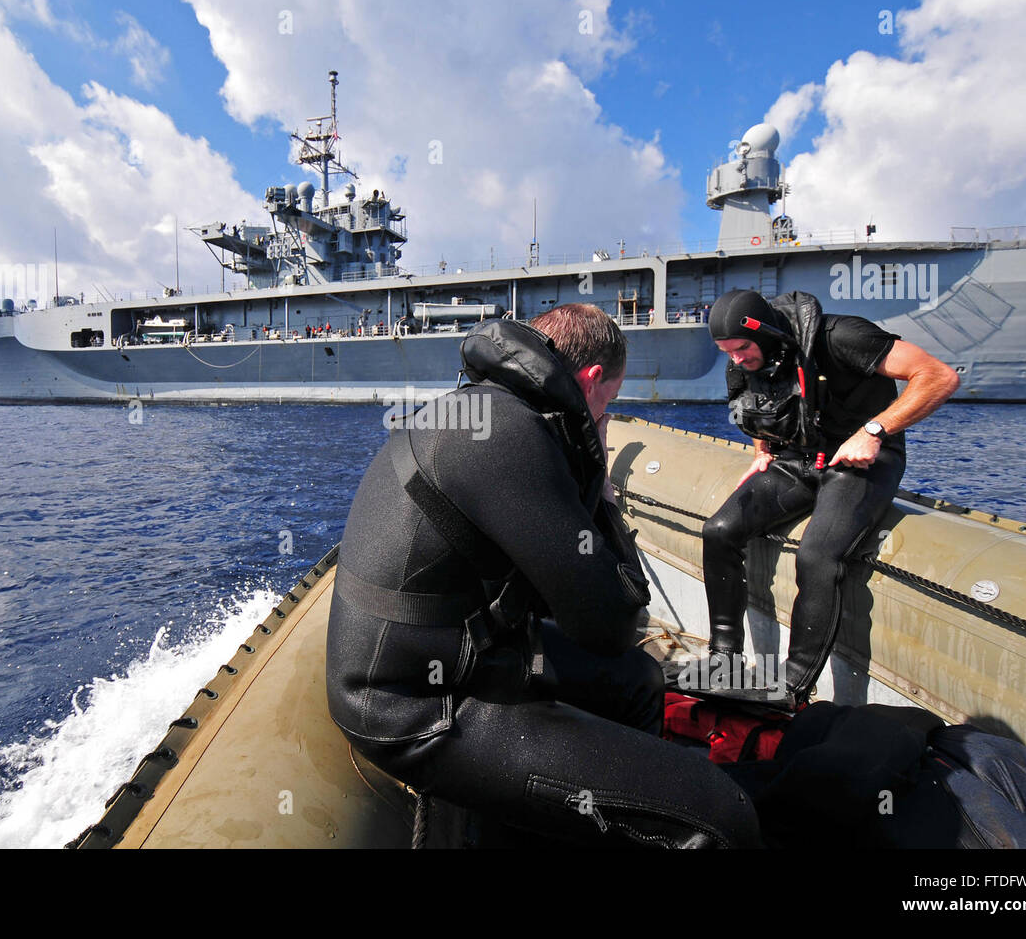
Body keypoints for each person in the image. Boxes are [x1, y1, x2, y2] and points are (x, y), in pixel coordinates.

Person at [326, 303, 762, 847]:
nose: (604, 414)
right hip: (412, 706)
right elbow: (611, 625)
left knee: (641, 683)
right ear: (593, 377)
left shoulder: (489, 408)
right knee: (723, 817)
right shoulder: (507, 435)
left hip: (462, 653)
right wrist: (602, 491)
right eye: (610, 401)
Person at [684, 288, 959, 707]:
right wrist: (762, 452)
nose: (735, 359)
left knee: (815, 556)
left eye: (741, 347)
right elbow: (752, 404)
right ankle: (725, 661)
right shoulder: (743, 360)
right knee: (719, 531)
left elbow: (938, 375)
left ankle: (793, 687)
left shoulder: (841, 336)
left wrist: (874, 432)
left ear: (768, 332)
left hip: (861, 462)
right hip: (797, 460)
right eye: (727, 352)